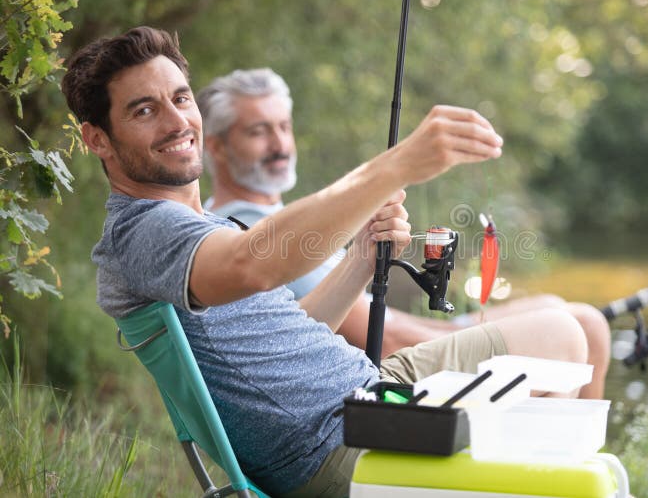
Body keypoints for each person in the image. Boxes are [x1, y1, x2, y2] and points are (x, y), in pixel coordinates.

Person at [62, 26, 589, 497]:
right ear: (97, 139)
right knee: (562, 360)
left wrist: (362, 257)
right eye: (145, 110)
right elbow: (255, 264)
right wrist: (393, 166)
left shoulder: (198, 227)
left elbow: (291, 333)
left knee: (562, 335)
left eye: (180, 98)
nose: (178, 122)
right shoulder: (143, 230)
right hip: (335, 445)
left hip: (364, 397)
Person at [198, 67, 611, 398]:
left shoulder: (277, 218)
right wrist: (472, 335)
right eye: (258, 131)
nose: (280, 143)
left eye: (283, 127)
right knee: (577, 325)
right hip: (374, 375)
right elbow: (387, 339)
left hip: (393, 345)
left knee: (566, 313)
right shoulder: (248, 231)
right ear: (216, 147)